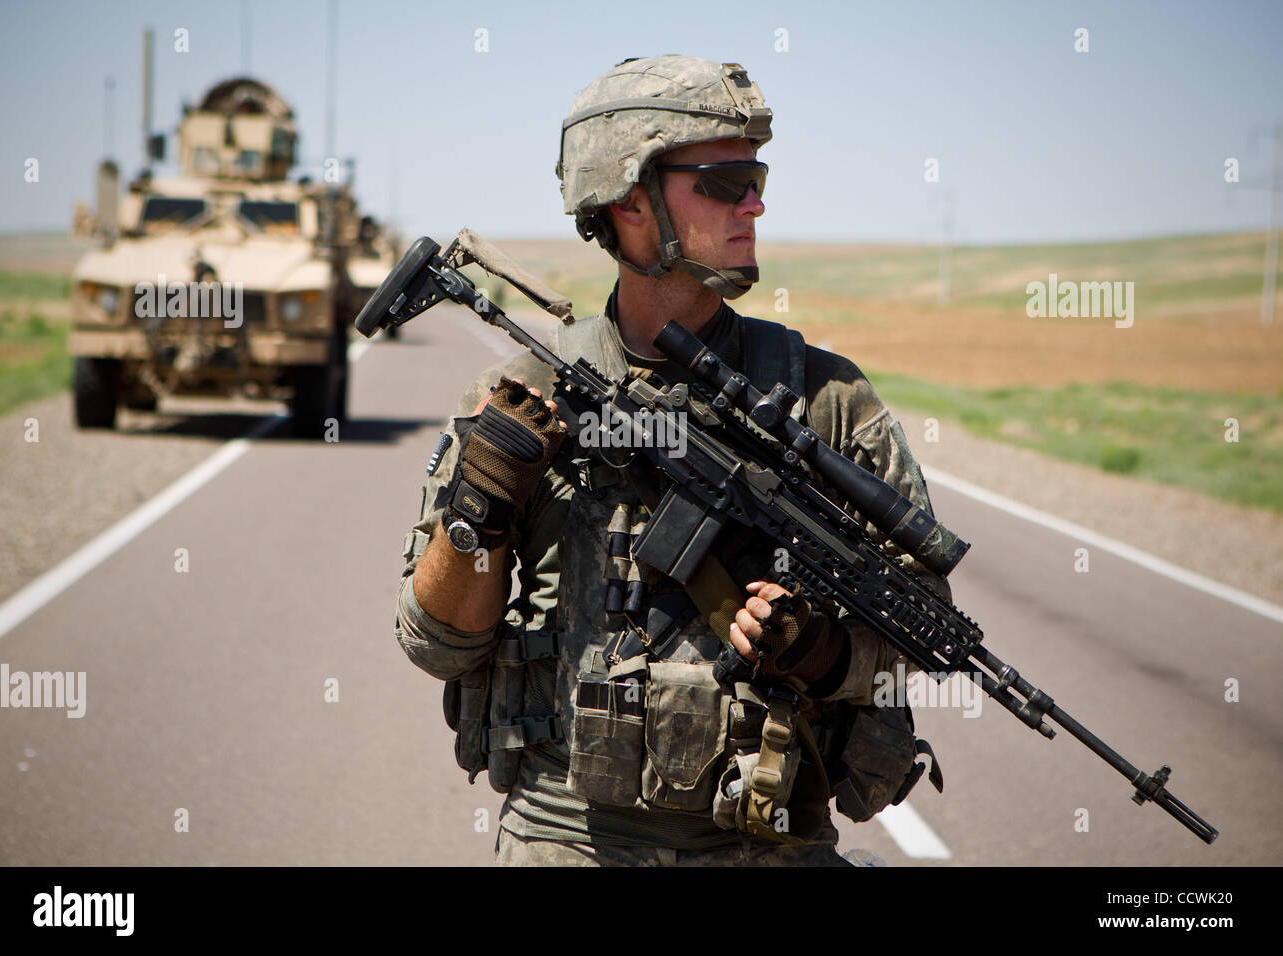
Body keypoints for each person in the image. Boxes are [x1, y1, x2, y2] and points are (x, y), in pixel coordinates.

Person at [395, 55, 951, 866]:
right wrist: (480, 506)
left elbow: (925, 626)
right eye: (725, 180)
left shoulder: (826, 400)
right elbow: (436, 645)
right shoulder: (522, 395)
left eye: (756, 176)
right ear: (627, 199)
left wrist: (823, 650)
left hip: (770, 839)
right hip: (566, 839)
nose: (755, 200)